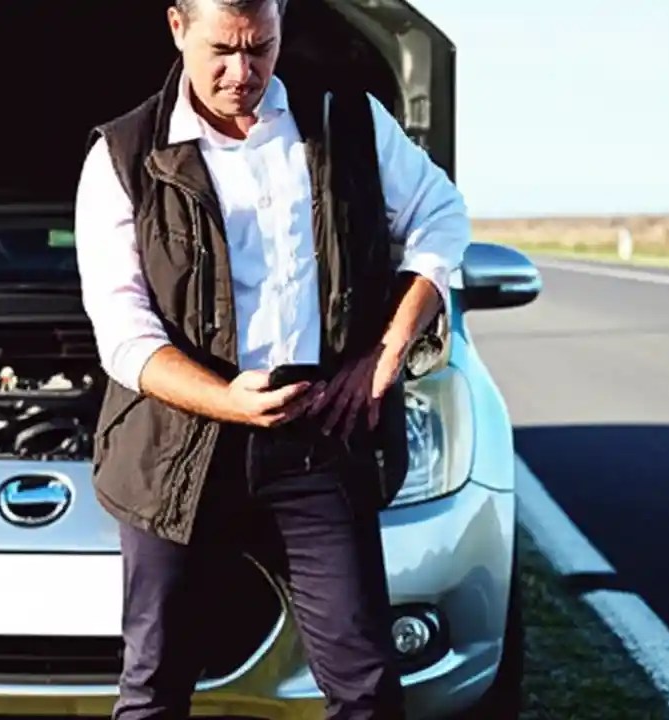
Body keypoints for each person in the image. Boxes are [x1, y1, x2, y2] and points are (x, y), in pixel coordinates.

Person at [72, 0, 471, 718]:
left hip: (316, 444)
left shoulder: (349, 122)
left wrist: (387, 348)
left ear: (281, 22)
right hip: (176, 451)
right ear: (177, 27)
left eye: (260, 48)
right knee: (154, 687)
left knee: (367, 687)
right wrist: (227, 401)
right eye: (222, 50)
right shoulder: (122, 155)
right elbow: (122, 332)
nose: (242, 72)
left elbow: (441, 216)